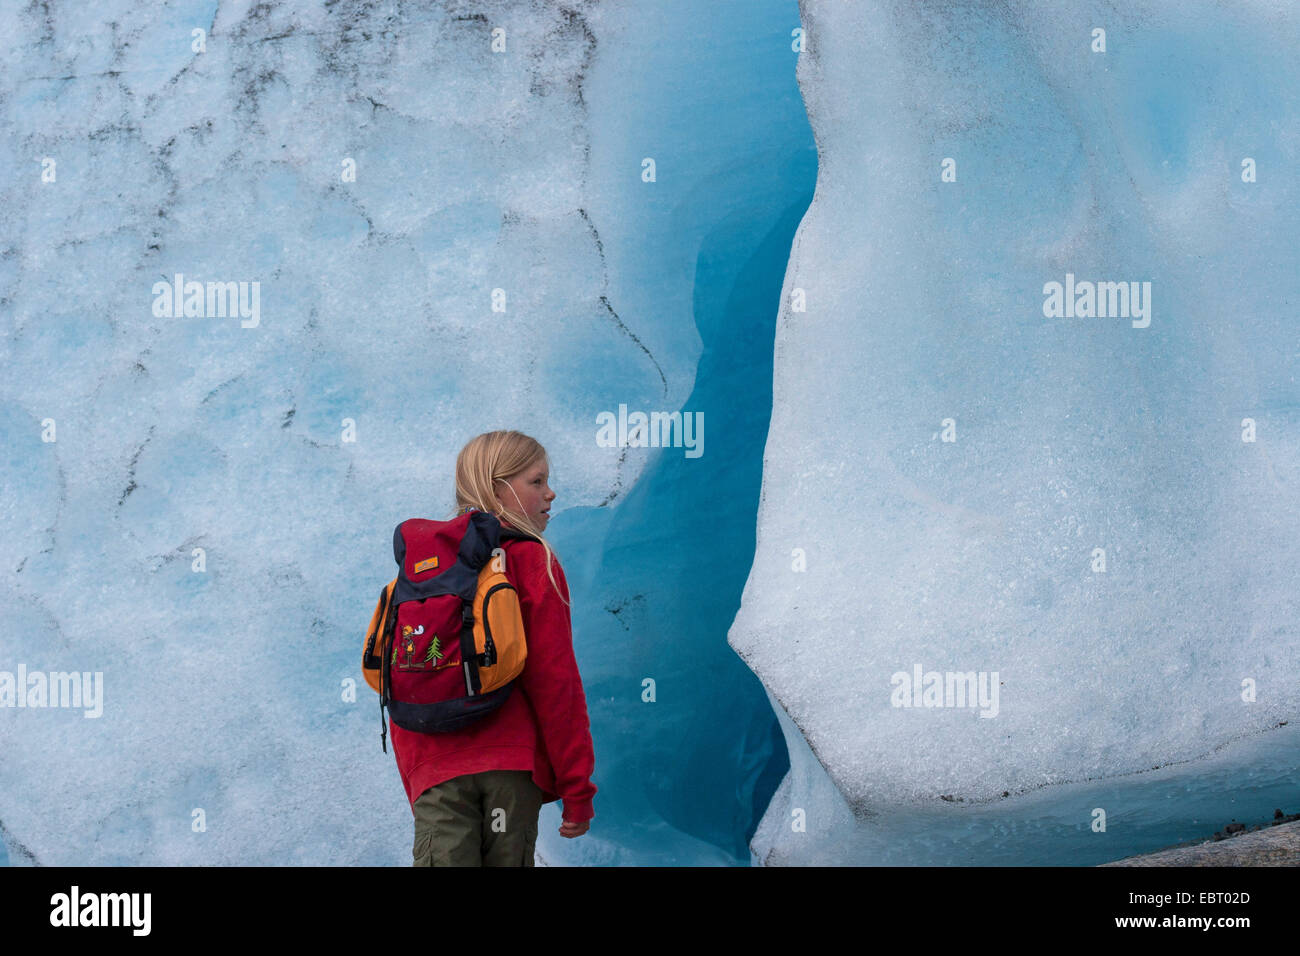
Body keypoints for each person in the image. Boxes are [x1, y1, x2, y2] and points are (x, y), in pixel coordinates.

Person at [388, 430, 597, 866]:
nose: (550, 492)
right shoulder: (530, 559)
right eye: (536, 481)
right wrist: (577, 788)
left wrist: (419, 778)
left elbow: (403, 680)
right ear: (497, 487)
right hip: (508, 771)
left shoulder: (422, 571)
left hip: (435, 771)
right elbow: (555, 683)